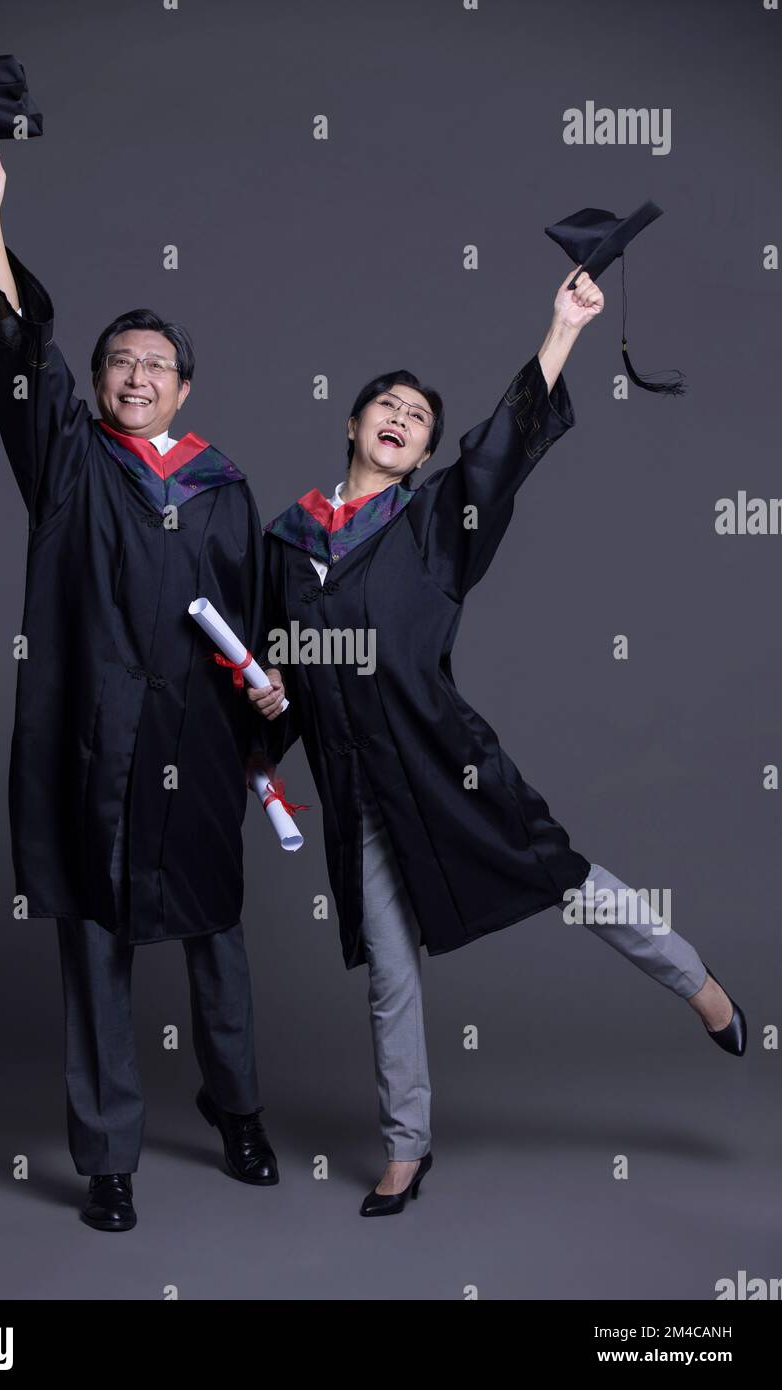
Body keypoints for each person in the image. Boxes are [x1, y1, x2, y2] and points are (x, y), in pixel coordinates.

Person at [250, 266, 746, 1218]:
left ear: (423, 449)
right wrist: (259, 738)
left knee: (566, 879)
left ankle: (700, 985)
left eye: (416, 417)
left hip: (444, 764)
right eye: (382, 407)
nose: (398, 417)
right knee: (390, 978)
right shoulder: (286, 541)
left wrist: (561, 328)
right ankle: (406, 1147)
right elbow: (283, 669)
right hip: (355, 788)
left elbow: (501, 450)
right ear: (352, 428)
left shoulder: (436, 521)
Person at [0, 143, 280, 1233]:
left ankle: (236, 1109)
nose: (135, 375)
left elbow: (253, 626)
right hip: (99, 746)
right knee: (94, 942)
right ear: (98, 382)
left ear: (186, 387)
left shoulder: (223, 489)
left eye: (155, 363)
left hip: (195, 746)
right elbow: (17, 354)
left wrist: (267, 709)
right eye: (117, 361)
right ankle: (107, 1157)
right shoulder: (67, 458)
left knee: (216, 938)